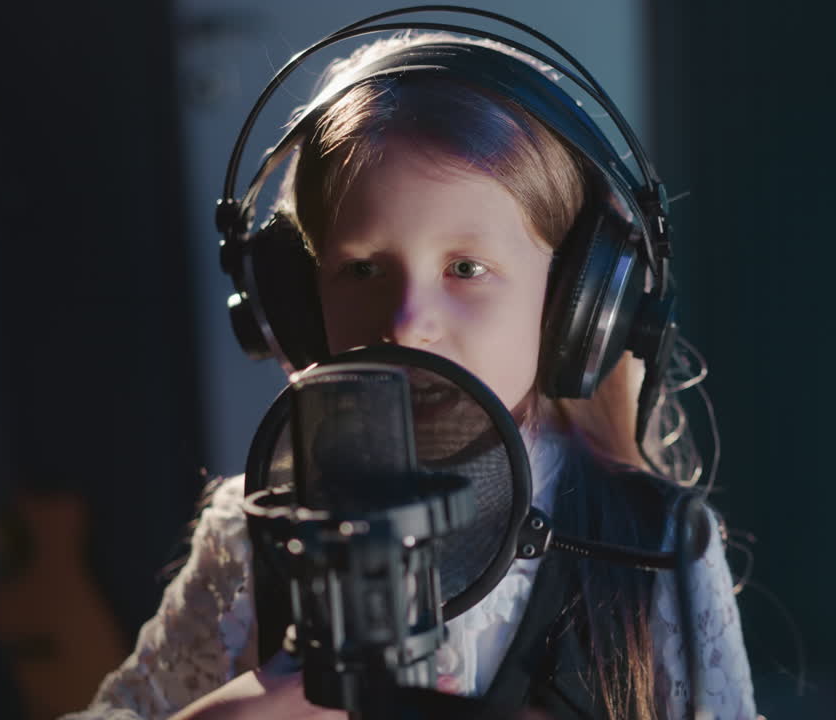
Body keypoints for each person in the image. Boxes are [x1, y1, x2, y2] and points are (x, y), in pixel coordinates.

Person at [65, 28, 756, 720]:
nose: (405, 322)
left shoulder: (660, 546)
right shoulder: (255, 531)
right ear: (298, 303)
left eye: (465, 268)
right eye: (363, 268)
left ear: (580, 307)